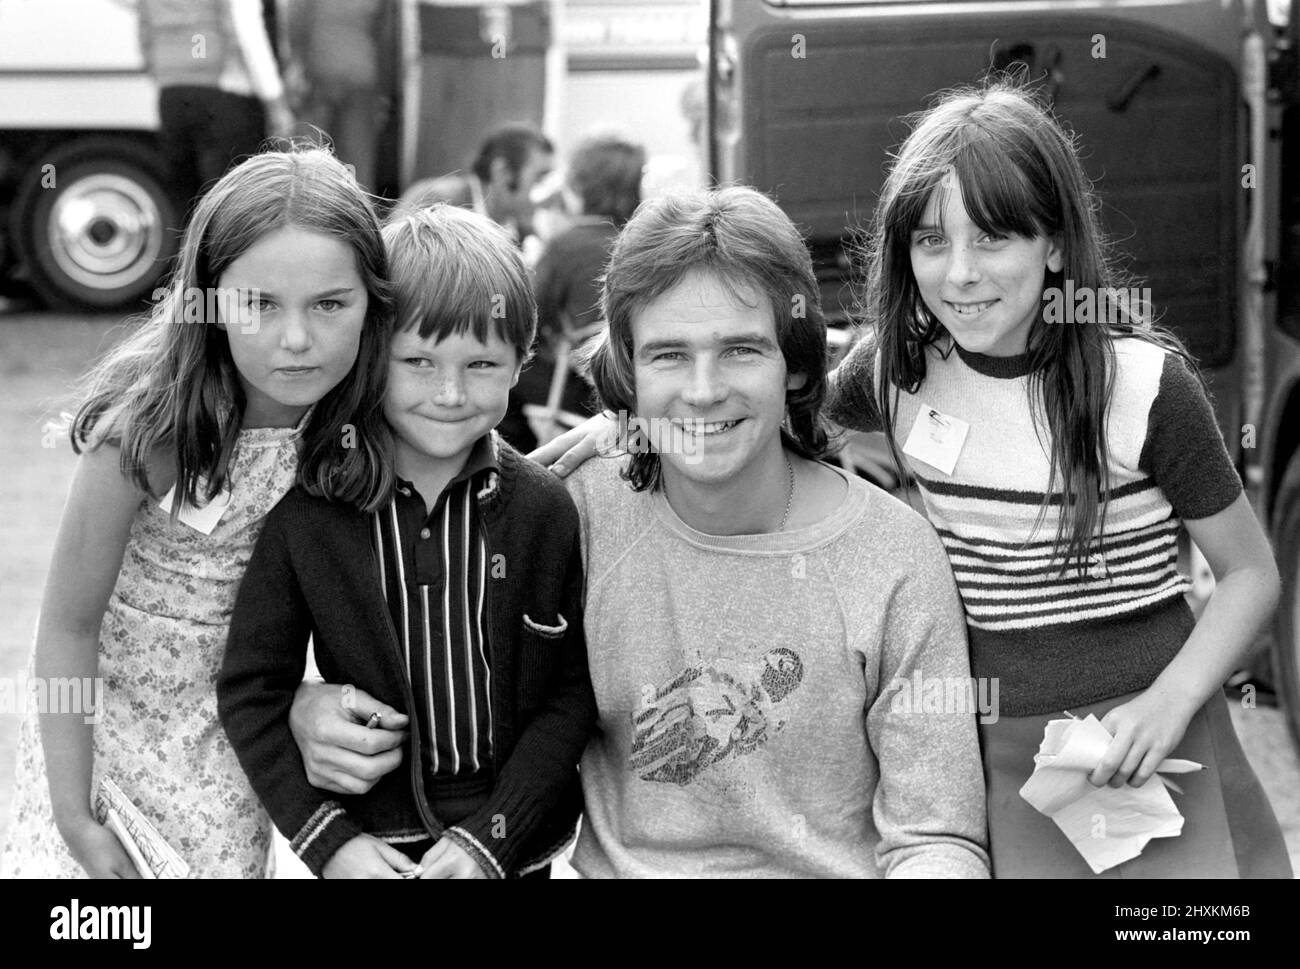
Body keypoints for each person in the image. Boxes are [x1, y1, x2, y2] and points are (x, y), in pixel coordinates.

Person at [536, 83, 1294, 879]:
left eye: (994, 238)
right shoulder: (901, 370)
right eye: (931, 242)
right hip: (1003, 747)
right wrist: (631, 421)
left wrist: (1169, 703)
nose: (960, 273)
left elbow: (1251, 572)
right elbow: (743, 403)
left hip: (1147, 738)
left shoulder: (1144, 388)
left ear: (1058, 245)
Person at [289, 187, 991, 878]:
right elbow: (431, 657)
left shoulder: (893, 558)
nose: (704, 388)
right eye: (668, 355)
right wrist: (307, 705)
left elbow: (936, 834)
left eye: (741, 350)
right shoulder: (572, 513)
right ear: (628, 371)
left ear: (798, 365)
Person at [0, 147, 393, 878]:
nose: (297, 339)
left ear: (374, 300)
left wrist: (602, 432)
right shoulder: (151, 433)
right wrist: (74, 814)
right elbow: (66, 624)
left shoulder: (363, 419)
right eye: (258, 305)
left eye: (330, 304)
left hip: (233, 743)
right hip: (107, 745)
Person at [217, 204, 596, 879]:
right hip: (369, 851)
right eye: (418, 361)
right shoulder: (311, 518)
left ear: (523, 360)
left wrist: (492, 839)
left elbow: (568, 695)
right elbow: (253, 689)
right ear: (370, 355)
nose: (450, 393)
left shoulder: (543, 511)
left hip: (512, 851)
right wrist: (326, 841)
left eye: (481, 362)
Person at [523, 133, 646, 435]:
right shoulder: (645, 240)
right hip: (638, 388)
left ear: (577, 186)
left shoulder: (566, 245)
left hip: (584, 394)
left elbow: (528, 316)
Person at [138, 0, 294, 215]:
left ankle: (196, 247)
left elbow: (145, 34)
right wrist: (274, 98)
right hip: (225, 93)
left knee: (188, 200)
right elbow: (248, 31)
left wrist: (163, 74)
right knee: (235, 200)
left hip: (171, 93)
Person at [283, 0, 395, 192]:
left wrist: (295, 64)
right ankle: (355, 216)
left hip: (320, 73)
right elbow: (387, 36)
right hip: (362, 75)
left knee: (307, 164)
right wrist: (385, 91)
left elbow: (297, 23)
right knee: (357, 169)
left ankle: (306, 212)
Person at [395, 125, 555, 245]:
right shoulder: (436, 204)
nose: (550, 195)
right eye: (539, 178)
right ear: (502, 172)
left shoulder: (523, 230)